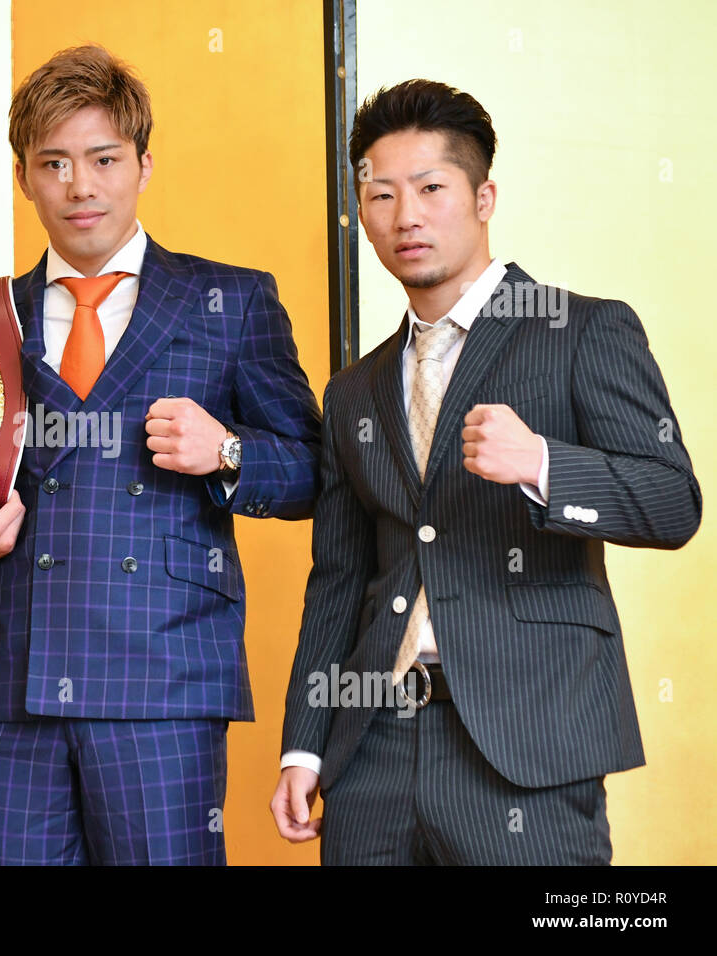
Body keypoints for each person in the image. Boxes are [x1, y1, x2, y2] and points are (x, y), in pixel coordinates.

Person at [0, 45, 321, 865]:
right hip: (15, 684)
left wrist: (226, 448)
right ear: (24, 176)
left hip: (166, 684)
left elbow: (311, 471)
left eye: (103, 159)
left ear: (143, 165)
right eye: (53, 163)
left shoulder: (231, 301)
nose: (80, 186)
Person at [270, 79, 702, 864]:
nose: (406, 216)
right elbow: (338, 579)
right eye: (381, 195)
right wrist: (303, 747)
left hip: (525, 749)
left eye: (431, 188)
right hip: (370, 754)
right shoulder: (352, 391)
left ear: (483, 196)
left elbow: (674, 503)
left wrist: (543, 463)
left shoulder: (584, 331)